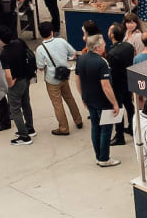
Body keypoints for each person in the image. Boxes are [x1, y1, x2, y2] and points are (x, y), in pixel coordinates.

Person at [75, 37, 122, 168]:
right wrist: (115, 103)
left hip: (89, 99)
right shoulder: (102, 63)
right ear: (97, 47)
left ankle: (98, 155)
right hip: (103, 102)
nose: (105, 45)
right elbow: (106, 86)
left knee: (95, 127)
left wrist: (83, 96)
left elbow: (77, 80)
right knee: (106, 129)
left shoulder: (81, 59)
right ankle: (104, 158)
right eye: (103, 44)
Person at [34, 21, 82, 136]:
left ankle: (64, 127)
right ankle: (78, 120)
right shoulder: (61, 41)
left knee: (57, 104)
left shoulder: (40, 49)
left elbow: (40, 67)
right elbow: (73, 53)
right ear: (51, 32)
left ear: (41, 34)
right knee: (69, 98)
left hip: (52, 79)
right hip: (64, 75)